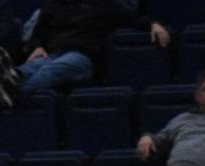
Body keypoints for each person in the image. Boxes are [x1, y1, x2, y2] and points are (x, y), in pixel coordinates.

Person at [10, 0, 169, 96]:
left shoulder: (103, 4)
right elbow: (40, 28)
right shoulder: (55, 4)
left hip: (83, 56)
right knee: (32, 67)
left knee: (51, 70)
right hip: (54, 51)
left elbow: (131, 18)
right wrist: (37, 46)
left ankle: (13, 92)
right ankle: (11, 77)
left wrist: (153, 24)